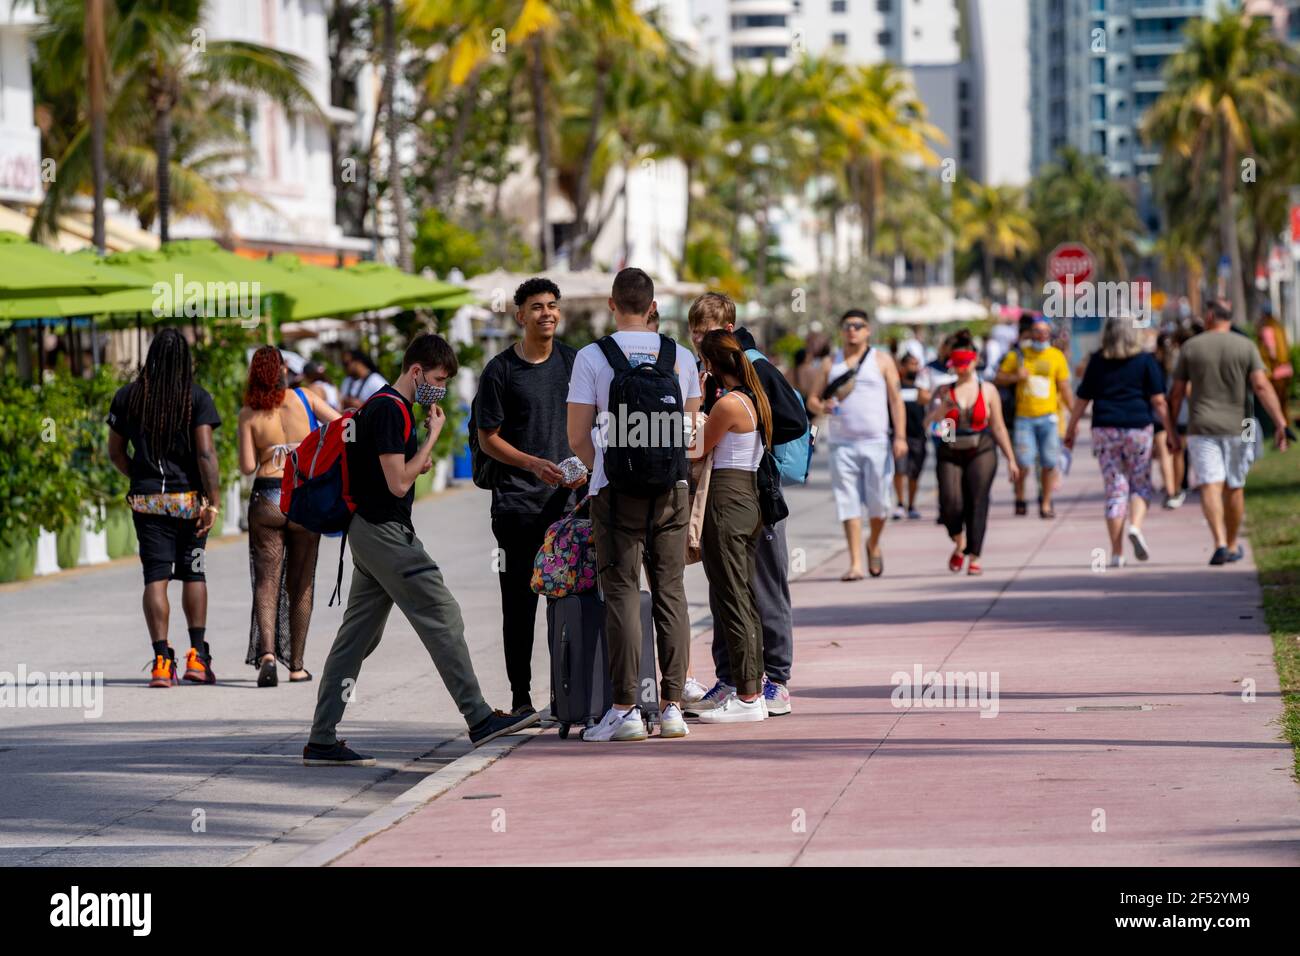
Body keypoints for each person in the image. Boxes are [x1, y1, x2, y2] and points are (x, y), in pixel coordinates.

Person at [303, 334, 538, 766]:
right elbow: (397, 482)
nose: (441, 387)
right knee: (443, 612)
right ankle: (479, 717)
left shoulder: (379, 406)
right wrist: (432, 438)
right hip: (386, 534)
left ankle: (321, 739)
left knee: (355, 639)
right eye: (438, 378)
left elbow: (389, 472)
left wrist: (418, 458)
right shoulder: (391, 410)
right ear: (416, 372)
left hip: (367, 532)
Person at [566, 267, 702, 742]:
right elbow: (689, 434)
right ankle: (671, 709)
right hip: (672, 490)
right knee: (671, 592)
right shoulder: (680, 357)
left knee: (622, 593)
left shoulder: (591, 357)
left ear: (611, 303)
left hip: (613, 491)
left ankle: (623, 710)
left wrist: (606, 465)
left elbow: (577, 436)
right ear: (652, 307)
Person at [685, 292, 808, 716]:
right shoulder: (714, 375)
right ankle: (732, 676)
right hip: (736, 493)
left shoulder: (753, 368)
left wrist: (752, 431)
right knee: (727, 589)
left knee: (763, 588)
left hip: (756, 493)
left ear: (730, 330)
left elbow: (794, 418)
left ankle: (775, 679)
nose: (700, 341)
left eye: (709, 333)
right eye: (696, 333)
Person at [476, 277, 585, 717]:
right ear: (519, 315)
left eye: (553, 305)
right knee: (518, 606)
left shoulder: (576, 363)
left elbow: (594, 423)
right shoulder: (500, 371)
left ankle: (567, 695)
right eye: (537, 306)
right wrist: (532, 464)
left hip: (568, 507)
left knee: (567, 603)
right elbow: (488, 439)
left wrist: (586, 468)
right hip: (518, 505)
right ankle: (521, 699)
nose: (548, 313)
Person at [107, 328, 222, 687]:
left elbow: (115, 452)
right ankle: (197, 658)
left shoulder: (128, 397)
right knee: (194, 573)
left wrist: (139, 477)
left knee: (155, 577)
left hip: (147, 503)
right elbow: (205, 453)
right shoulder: (196, 398)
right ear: (185, 360)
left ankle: (160, 661)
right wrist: (213, 501)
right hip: (188, 503)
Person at [237, 346, 340, 685]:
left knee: (267, 581)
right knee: (302, 584)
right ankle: (296, 665)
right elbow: (340, 425)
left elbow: (248, 466)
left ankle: (267, 653)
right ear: (282, 370)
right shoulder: (305, 397)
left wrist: (271, 449)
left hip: (267, 496)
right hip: (303, 496)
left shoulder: (249, 414)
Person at [688, 330, 775, 723]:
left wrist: (695, 407)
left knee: (731, 599)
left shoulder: (728, 405)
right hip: (748, 498)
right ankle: (751, 689)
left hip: (726, 498)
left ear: (711, 365)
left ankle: (747, 695)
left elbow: (696, 448)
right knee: (743, 596)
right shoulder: (757, 399)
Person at [1168, 300, 1290, 566]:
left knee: (1210, 483)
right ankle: (1233, 544)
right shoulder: (1245, 346)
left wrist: (1171, 430)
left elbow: (1176, 394)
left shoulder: (1192, 347)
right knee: (1235, 484)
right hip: (1243, 425)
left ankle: (1220, 543)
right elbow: (1261, 386)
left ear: (1209, 316)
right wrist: (1281, 422)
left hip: (1201, 426)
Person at [806, 309, 908, 580]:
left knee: (881, 505)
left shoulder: (882, 360)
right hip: (842, 444)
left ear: (868, 330)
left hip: (877, 442)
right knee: (847, 501)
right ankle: (855, 564)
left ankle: (873, 542)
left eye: (858, 325)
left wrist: (900, 437)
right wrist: (823, 406)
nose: (852, 330)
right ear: (842, 331)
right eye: (847, 325)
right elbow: (812, 400)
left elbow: (896, 400)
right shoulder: (831, 363)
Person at [1064, 317, 1173, 568]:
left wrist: (1070, 431)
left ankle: (1116, 553)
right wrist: (1171, 433)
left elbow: (1081, 401)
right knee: (1140, 484)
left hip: (1105, 429)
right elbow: (1158, 401)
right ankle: (1135, 526)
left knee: (1115, 489)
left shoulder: (1097, 361)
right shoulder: (1146, 361)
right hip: (1138, 429)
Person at [924, 332, 1019, 575]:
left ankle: (975, 555)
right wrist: (941, 410)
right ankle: (959, 542)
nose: (962, 370)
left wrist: (1011, 459)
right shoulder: (943, 390)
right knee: (950, 502)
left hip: (981, 448)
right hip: (950, 446)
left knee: (978, 500)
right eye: (957, 366)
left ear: (975, 362)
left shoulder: (987, 390)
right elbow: (929, 426)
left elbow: (998, 426)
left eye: (965, 365)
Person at [996, 316, 1073, 519]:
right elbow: (998, 377)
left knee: (1049, 463)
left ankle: (1045, 503)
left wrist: (1074, 415)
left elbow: (1064, 387)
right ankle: (1020, 498)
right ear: (1031, 333)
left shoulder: (1056, 356)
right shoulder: (1019, 354)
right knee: (1023, 462)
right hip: (1024, 418)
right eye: (1038, 331)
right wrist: (1015, 376)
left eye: (1045, 332)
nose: (1042, 336)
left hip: (1049, 418)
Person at [892, 351, 930, 520]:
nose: (914, 367)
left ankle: (912, 504)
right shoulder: (895, 388)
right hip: (899, 435)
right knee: (900, 470)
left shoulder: (921, 389)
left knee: (915, 472)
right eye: (911, 364)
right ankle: (900, 503)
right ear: (903, 366)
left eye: (917, 364)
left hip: (918, 436)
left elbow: (930, 403)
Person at [1256, 300, 1293, 420]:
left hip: (1275, 372)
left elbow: (1272, 351)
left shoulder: (1267, 328)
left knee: (1275, 405)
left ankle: (1279, 429)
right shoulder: (1279, 327)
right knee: (1283, 404)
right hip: (1286, 370)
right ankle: (1285, 428)